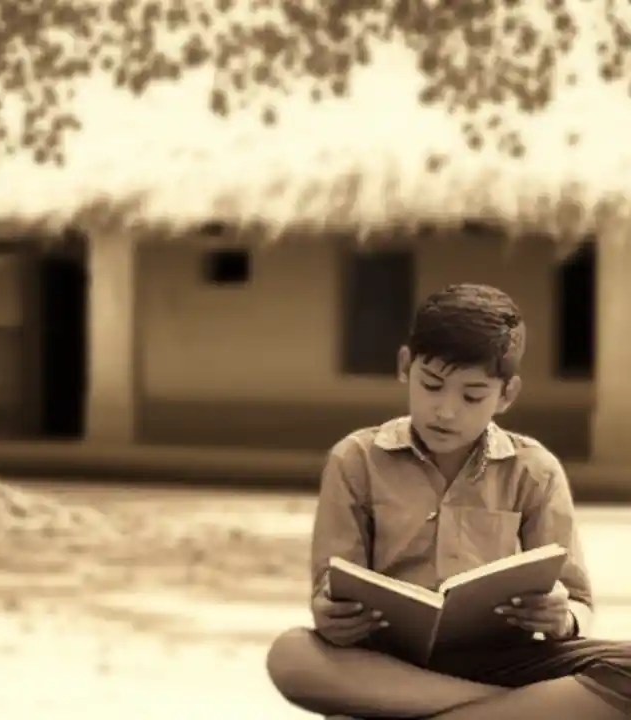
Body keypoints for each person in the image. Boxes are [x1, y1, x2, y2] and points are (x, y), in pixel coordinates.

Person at [264, 283, 631, 719]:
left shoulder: (535, 470)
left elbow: (576, 603)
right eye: (432, 385)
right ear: (405, 366)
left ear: (507, 394)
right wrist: (331, 616)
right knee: (289, 654)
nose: (445, 410)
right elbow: (329, 589)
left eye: (472, 396)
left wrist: (560, 617)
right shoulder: (356, 460)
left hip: (502, 661)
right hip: (385, 663)